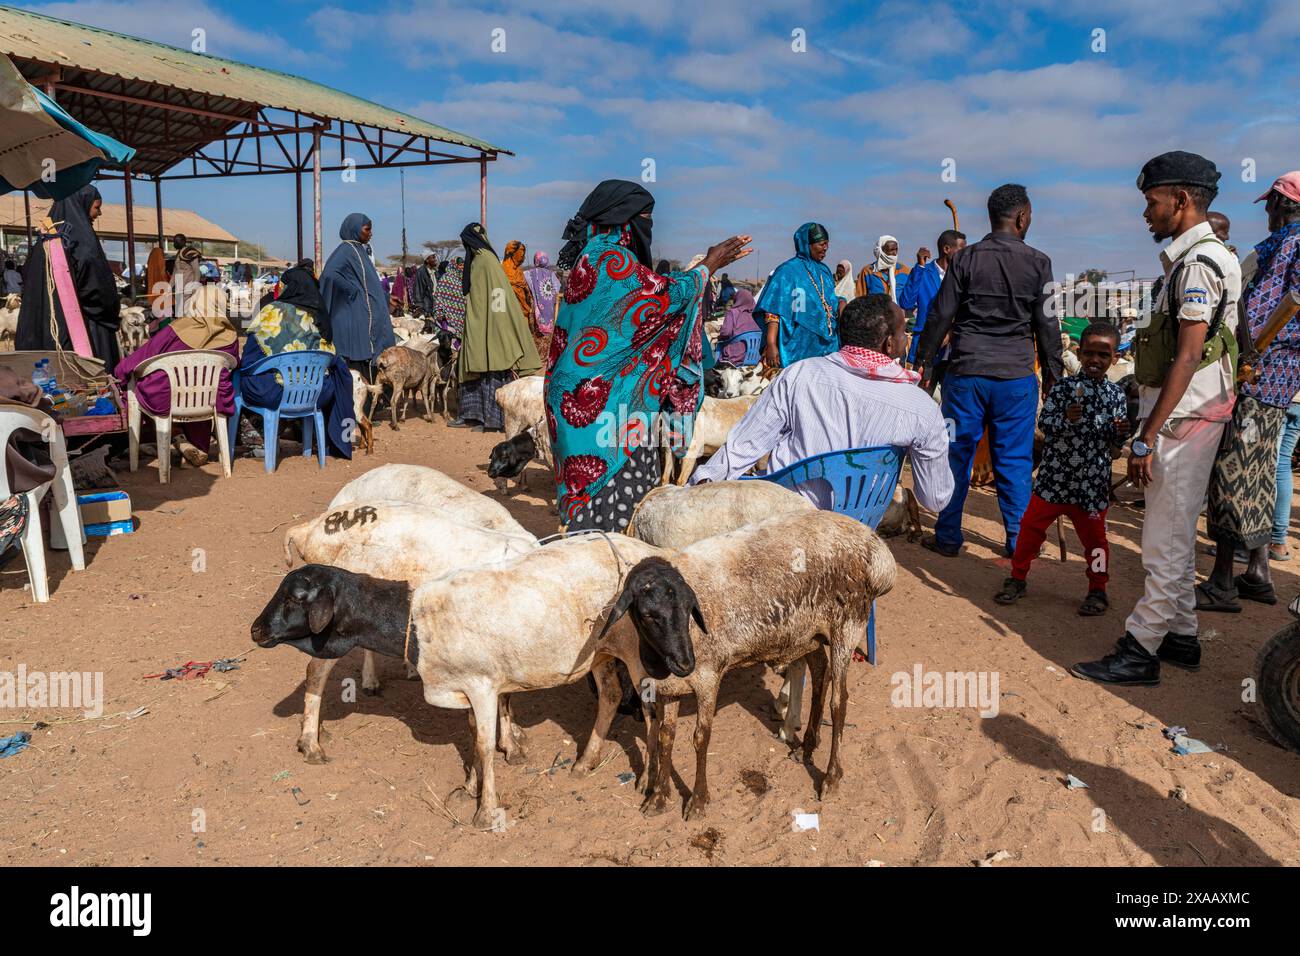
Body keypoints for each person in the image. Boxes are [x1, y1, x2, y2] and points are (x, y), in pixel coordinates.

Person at [1072, 151, 1240, 686]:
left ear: (1182, 200)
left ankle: (1140, 649)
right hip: (1192, 416)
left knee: (1163, 541)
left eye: (1152, 203)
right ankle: (1181, 637)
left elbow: (1188, 356)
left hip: (1183, 420)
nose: (1146, 214)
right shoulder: (1198, 259)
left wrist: (1146, 437)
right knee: (1174, 532)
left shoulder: (1197, 266)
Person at [546, 179, 750, 530]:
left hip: (577, 394)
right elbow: (661, 301)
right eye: (647, 219)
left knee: (587, 509)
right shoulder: (612, 260)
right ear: (625, 220)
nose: (649, 228)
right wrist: (708, 265)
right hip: (603, 404)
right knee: (615, 508)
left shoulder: (589, 256)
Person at [691, 293, 953, 515]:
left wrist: (702, 482)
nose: (906, 339)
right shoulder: (922, 407)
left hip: (788, 525)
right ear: (889, 344)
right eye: (901, 333)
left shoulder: (798, 376)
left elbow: (743, 447)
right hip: (857, 534)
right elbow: (935, 500)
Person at [915, 184, 1062, 558]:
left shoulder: (965, 260)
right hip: (1015, 378)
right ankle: (1018, 542)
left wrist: (926, 363)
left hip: (966, 375)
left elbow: (940, 313)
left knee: (957, 454)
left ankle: (948, 537)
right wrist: (1055, 382)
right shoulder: (1038, 262)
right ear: (1022, 217)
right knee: (1014, 459)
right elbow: (1048, 327)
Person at [1198, 172, 1300, 609]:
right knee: (1259, 471)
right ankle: (1257, 572)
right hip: (1280, 379)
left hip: (1258, 370)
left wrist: (1250, 347)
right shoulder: (1281, 245)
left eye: (1269, 204)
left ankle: (1222, 582)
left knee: (1231, 473)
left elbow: (1269, 302)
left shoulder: (1286, 244)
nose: (1265, 213)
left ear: (1281, 203)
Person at [995, 323, 1129, 616]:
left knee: (1096, 542)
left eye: (1103, 355)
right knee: (1030, 531)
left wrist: (1121, 432)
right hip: (1054, 481)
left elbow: (1116, 442)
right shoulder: (1064, 388)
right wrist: (1066, 420)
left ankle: (1097, 589)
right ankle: (1017, 577)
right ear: (1079, 354)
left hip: (1092, 485)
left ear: (1114, 358)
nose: (1095, 360)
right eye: (1090, 353)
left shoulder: (1116, 396)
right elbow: (1046, 426)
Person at [114, 284, 239, 468]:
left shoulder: (177, 329)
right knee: (204, 387)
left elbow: (142, 356)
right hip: (208, 401)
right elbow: (234, 365)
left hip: (167, 399)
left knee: (138, 386)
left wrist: (120, 372)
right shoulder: (231, 335)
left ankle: (175, 438)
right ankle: (192, 446)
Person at [237, 264, 354, 460]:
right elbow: (331, 356)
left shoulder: (271, 311)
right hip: (316, 393)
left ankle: (257, 440)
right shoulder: (321, 315)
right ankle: (313, 437)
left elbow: (249, 355)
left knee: (243, 377)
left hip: (276, 393)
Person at [16, 185, 121, 368]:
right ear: (82, 204)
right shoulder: (82, 242)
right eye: (97, 207)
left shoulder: (43, 241)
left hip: (42, 330)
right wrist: (111, 310)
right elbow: (97, 290)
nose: (99, 213)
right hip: (84, 332)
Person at [450, 223, 541, 432]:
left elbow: (497, 297)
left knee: (491, 367)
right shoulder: (480, 260)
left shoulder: (486, 261)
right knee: (472, 366)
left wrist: (494, 325)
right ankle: (471, 415)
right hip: (478, 324)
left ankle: (491, 421)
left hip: (490, 325)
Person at [319, 213, 395, 379]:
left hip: (364, 313)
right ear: (354, 229)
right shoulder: (346, 249)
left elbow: (368, 284)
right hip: (356, 316)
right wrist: (352, 291)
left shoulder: (359, 251)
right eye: (367, 229)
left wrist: (386, 298)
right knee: (358, 361)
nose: (371, 233)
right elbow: (329, 274)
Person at [756, 223, 841, 369]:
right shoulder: (786, 272)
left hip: (828, 347)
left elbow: (830, 301)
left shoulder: (825, 272)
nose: (826, 248)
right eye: (821, 244)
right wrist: (770, 343)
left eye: (827, 244)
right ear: (807, 244)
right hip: (796, 348)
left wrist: (842, 302)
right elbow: (773, 311)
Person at [899, 229, 966, 367]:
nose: (965, 254)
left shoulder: (963, 275)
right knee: (922, 389)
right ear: (947, 249)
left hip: (955, 350)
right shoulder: (923, 272)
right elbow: (906, 303)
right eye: (961, 249)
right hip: (925, 348)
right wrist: (920, 267)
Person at [525, 250, 561, 353]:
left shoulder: (529, 273)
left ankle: (536, 355)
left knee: (535, 334)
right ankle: (546, 355)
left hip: (534, 310)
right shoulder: (552, 275)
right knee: (547, 338)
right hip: (549, 312)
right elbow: (557, 288)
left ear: (536, 260)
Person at [856, 235, 910, 301]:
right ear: (881, 250)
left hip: (899, 310)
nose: (894, 253)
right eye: (891, 250)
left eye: (896, 249)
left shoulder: (905, 271)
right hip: (875, 311)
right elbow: (860, 297)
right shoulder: (868, 271)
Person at [716, 288, 761, 365]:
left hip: (734, 357)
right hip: (755, 357)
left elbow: (725, 333)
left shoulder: (732, 312)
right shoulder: (757, 314)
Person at [433, 256, 467, 351]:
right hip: (448, 317)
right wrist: (439, 312)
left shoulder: (465, 279)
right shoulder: (445, 278)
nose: (462, 266)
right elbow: (438, 297)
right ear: (454, 265)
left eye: (463, 264)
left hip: (462, 316)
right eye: (460, 264)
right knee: (452, 344)